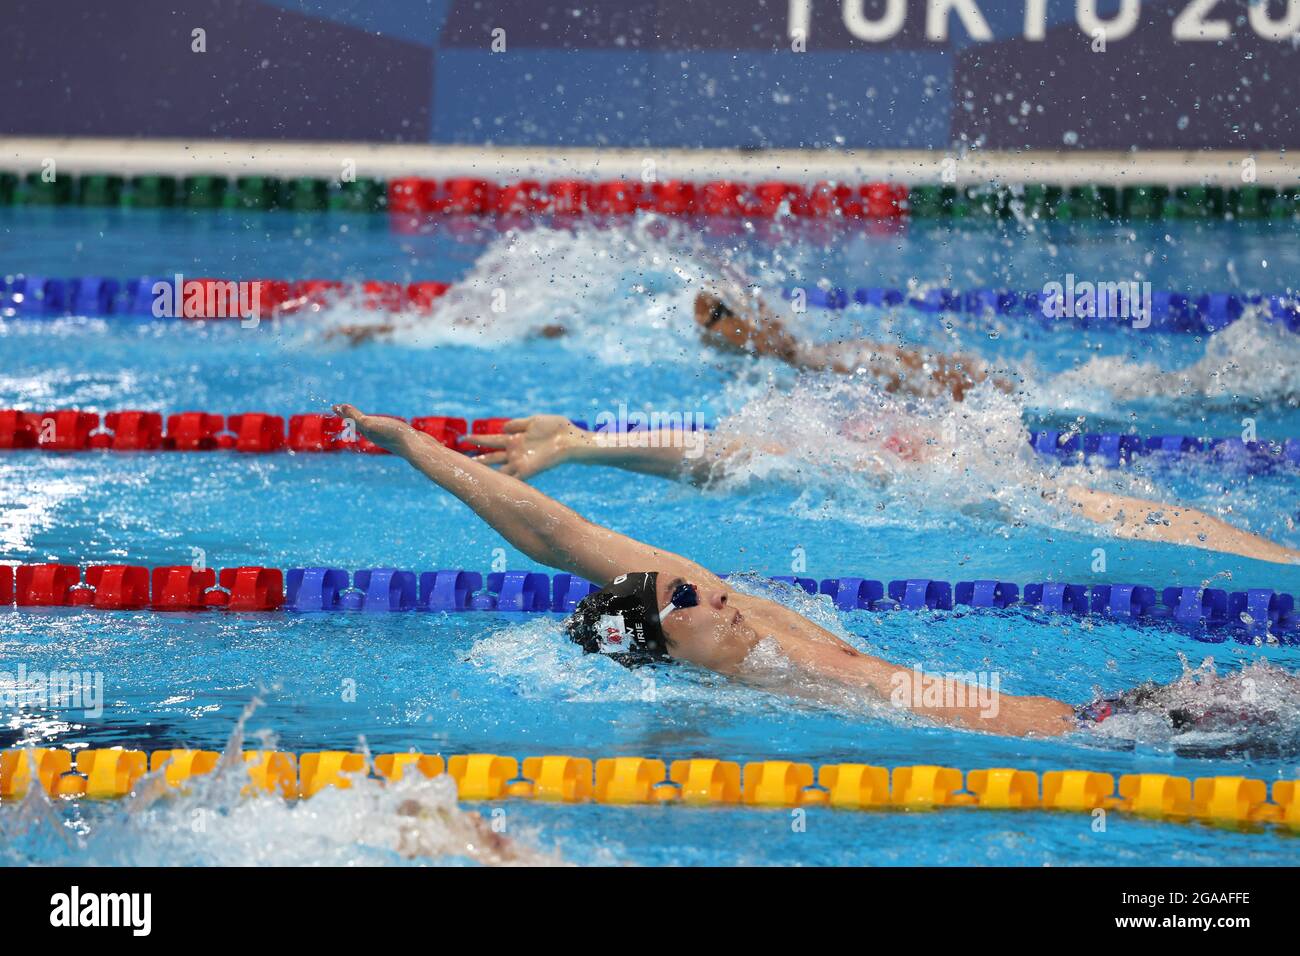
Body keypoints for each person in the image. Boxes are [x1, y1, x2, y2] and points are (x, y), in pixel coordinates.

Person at [333, 402, 1215, 740]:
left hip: (1101, 719)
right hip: (1092, 742)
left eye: (686, 579)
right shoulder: (748, 680)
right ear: (662, 652)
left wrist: (414, 445)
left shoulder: (744, 626)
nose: (700, 585)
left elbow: (561, 535)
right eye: (681, 598)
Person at [466, 414, 1300, 566]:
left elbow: (752, 459)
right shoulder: (977, 488)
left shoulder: (989, 487)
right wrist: (585, 446)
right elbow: (749, 458)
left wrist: (587, 446)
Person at [323, 283, 1004, 402]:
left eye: (730, 321)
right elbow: (517, 330)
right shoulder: (621, 329)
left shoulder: (809, 361)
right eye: (721, 324)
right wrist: (393, 330)